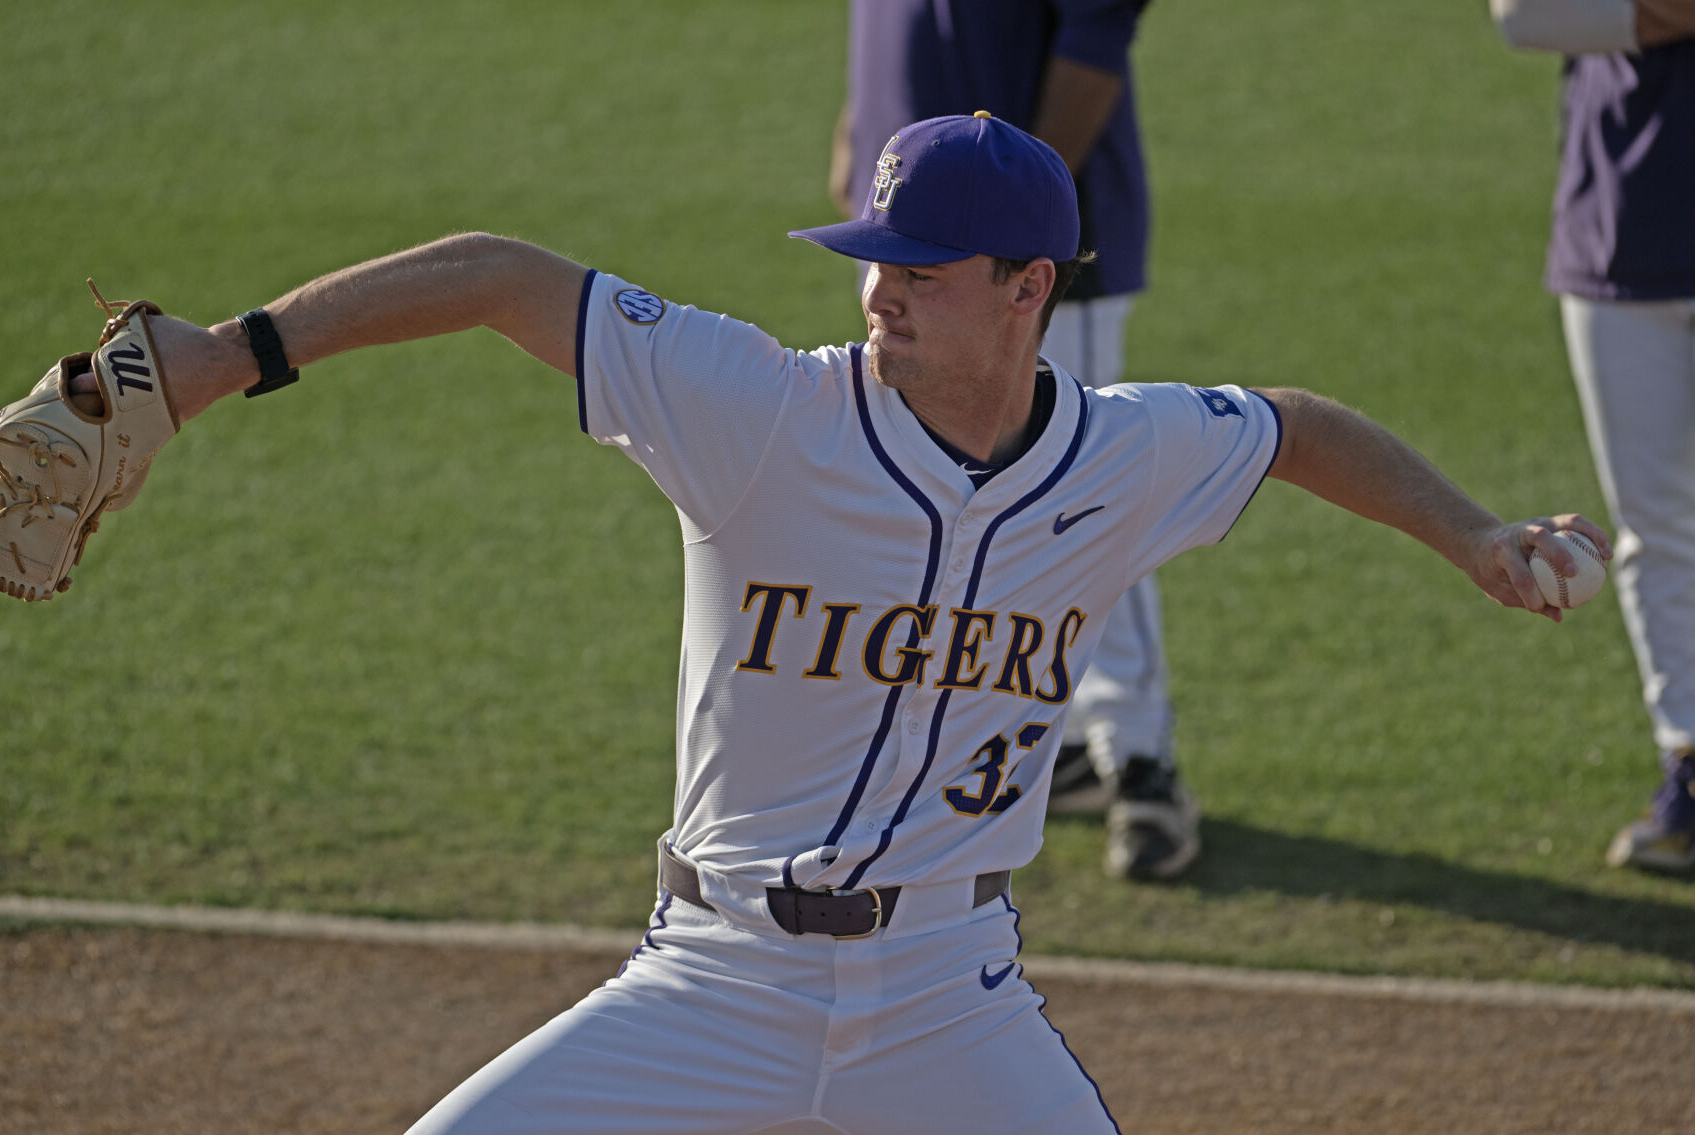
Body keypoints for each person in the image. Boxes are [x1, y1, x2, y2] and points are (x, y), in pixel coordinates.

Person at [97, 113, 1605, 1134]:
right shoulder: (757, 408)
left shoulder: (1120, 453)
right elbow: (499, 276)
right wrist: (226, 358)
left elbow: (1287, 427)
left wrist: (1471, 535)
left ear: (1027, 291)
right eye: (872, 256)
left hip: (950, 999)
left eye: (919, 267)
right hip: (712, 976)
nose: (877, 291)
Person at [830, 0, 1191, 881]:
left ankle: (1136, 754)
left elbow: (1092, 47)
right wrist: (855, 148)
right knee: (925, 498)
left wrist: (1012, 235)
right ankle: (1022, 745)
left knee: (1086, 494)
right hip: (907, 242)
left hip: (1021, 268)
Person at [1490, 0, 1695, 872]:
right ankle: (1686, 765)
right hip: (1623, 223)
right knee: (1655, 525)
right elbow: (1525, 13)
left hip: (1624, 221)